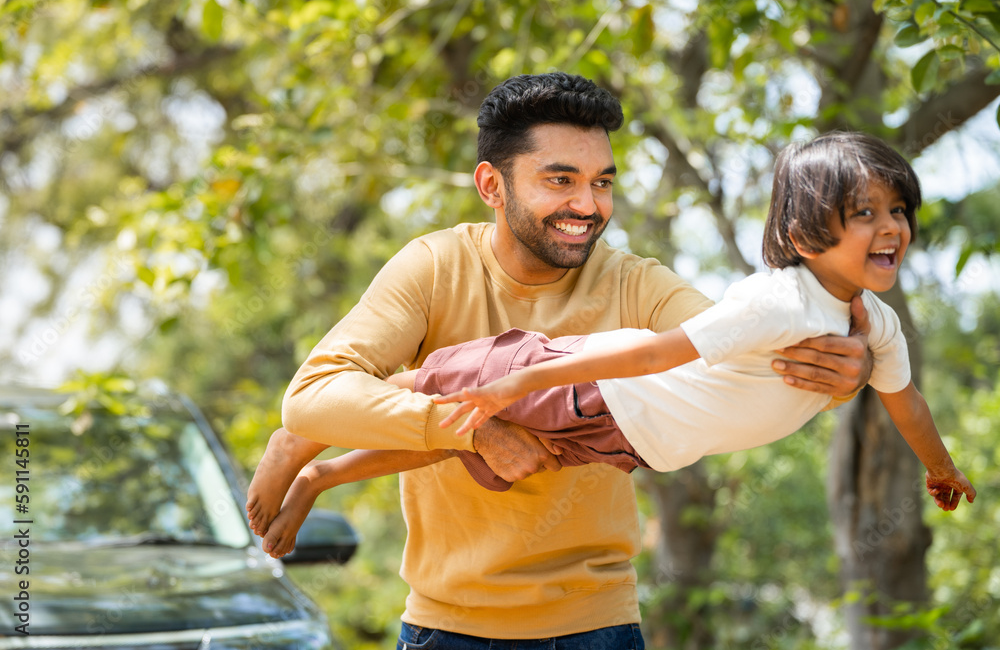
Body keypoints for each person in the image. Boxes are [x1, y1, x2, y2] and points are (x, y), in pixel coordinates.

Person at [248, 73, 872, 649]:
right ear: (492, 185)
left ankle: (311, 461)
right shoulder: (435, 267)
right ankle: (302, 450)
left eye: (603, 182)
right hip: (447, 627)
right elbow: (313, 395)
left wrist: (850, 370)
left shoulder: (637, 285)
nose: (588, 204)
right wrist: (476, 429)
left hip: (596, 623)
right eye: (560, 179)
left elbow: (750, 355)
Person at [250, 131, 976, 560]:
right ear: (801, 235)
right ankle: (302, 438)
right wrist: (515, 383)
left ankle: (323, 477)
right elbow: (655, 354)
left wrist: (938, 467)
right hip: (591, 384)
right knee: (451, 395)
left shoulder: (872, 323)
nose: (891, 227)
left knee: (464, 439)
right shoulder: (777, 300)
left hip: (632, 440)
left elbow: (904, 401)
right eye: (864, 214)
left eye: (899, 210)